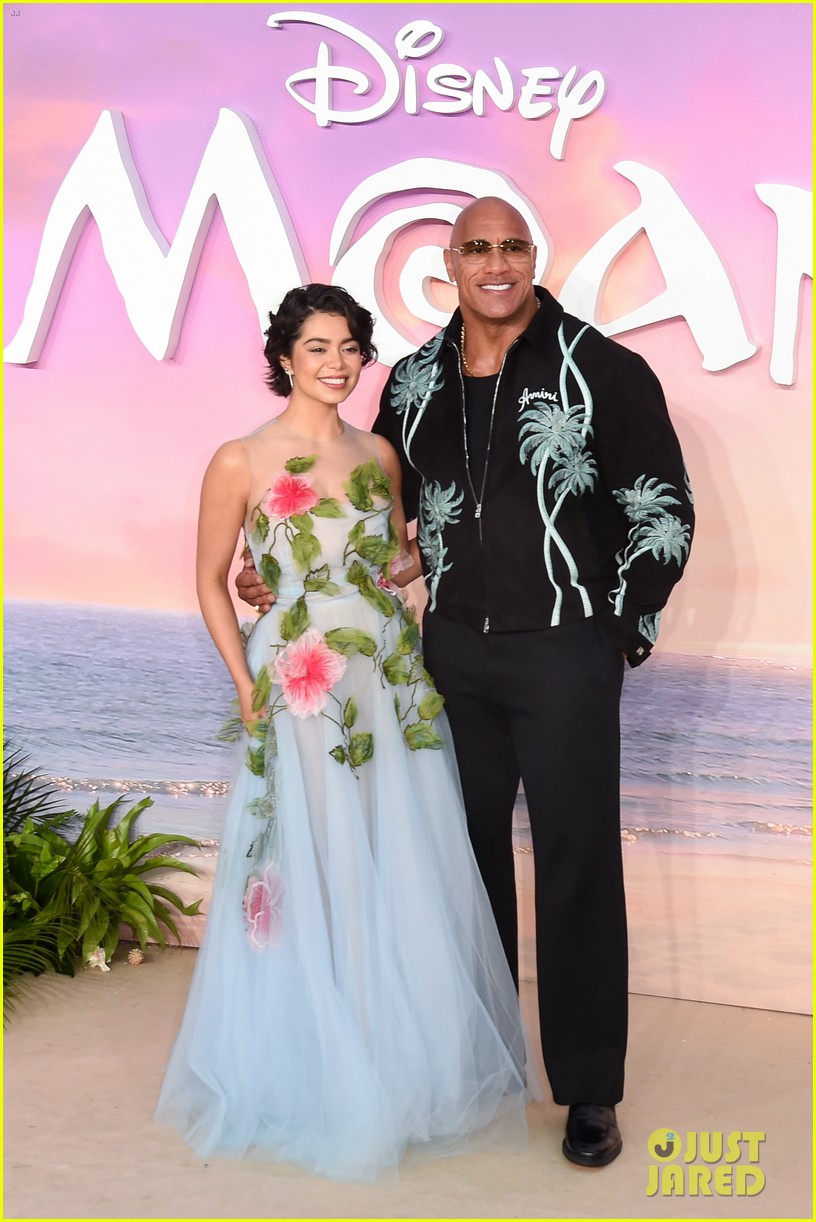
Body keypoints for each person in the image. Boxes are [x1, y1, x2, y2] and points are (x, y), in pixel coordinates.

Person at [238, 198, 695, 1168]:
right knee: (457, 861)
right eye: (477, 247)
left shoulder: (604, 371)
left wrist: (614, 635)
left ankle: (587, 1091)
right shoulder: (411, 382)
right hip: (445, 658)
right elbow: (375, 510)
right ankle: (475, 1063)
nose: (496, 262)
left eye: (513, 246)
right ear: (449, 263)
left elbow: (662, 512)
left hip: (564, 652)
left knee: (576, 864)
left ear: (534, 256)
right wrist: (275, 566)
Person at [155, 283, 529, 1182]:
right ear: (284, 357)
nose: (336, 363)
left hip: (386, 679)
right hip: (298, 681)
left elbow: (396, 558)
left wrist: (415, 571)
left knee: (390, 854)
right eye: (317, 347)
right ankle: (315, 1065)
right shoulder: (240, 459)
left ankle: (388, 1056)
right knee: (311, 857)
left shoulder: (379, 453)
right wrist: (243, 680)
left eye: (350, 347)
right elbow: (210, 577)